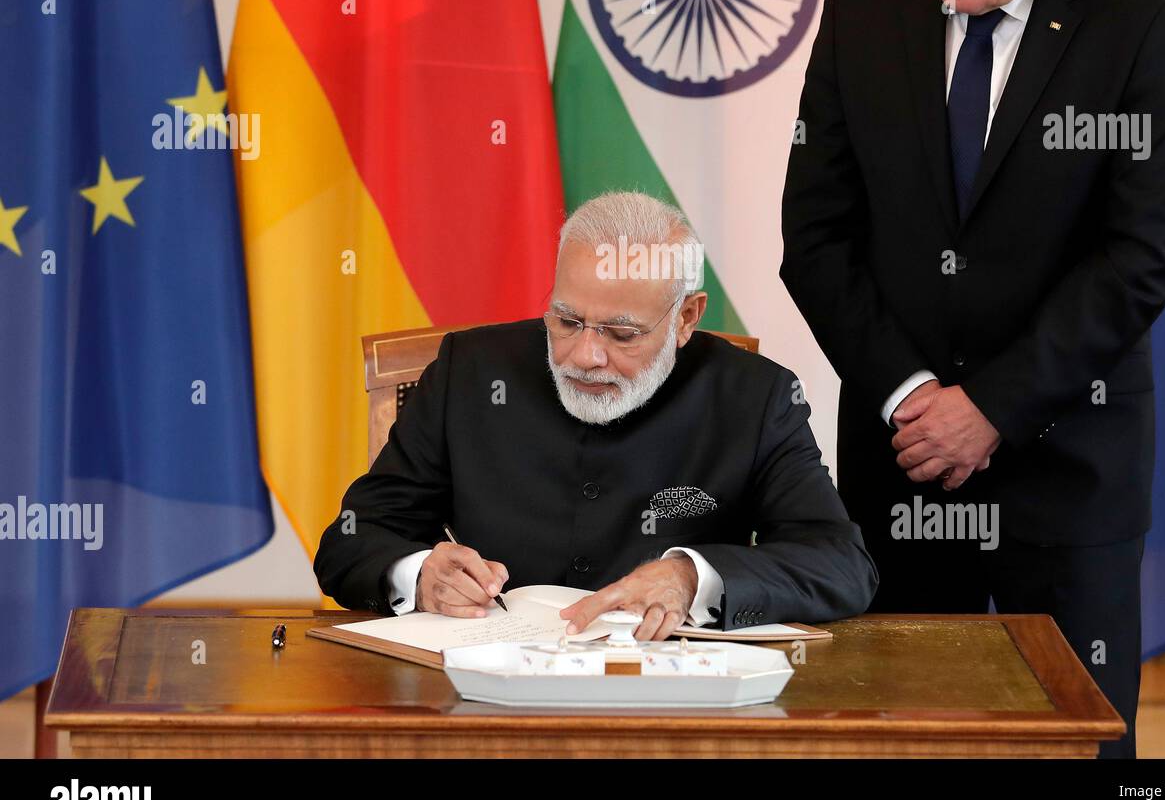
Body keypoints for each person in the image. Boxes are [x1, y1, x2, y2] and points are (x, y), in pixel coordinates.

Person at [780, 0, 1165, 758]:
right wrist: (915, 396)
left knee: (1080, 744)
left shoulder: (1137, 23)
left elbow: (1140, 255)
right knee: (903, 734)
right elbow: (816, 236)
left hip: (1069, 463)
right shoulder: (862, 9)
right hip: (906, 456)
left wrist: (994, 406)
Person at [316, 190, 877, 639]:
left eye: (621, 333)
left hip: (674, 709)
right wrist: (418, 577)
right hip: (485, 695)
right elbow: (352, 539)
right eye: (565, 320)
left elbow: (841, 564)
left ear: (685, 318)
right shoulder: (469, 370)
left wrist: (691, 577)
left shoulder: (757, 398)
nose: (584, 356)